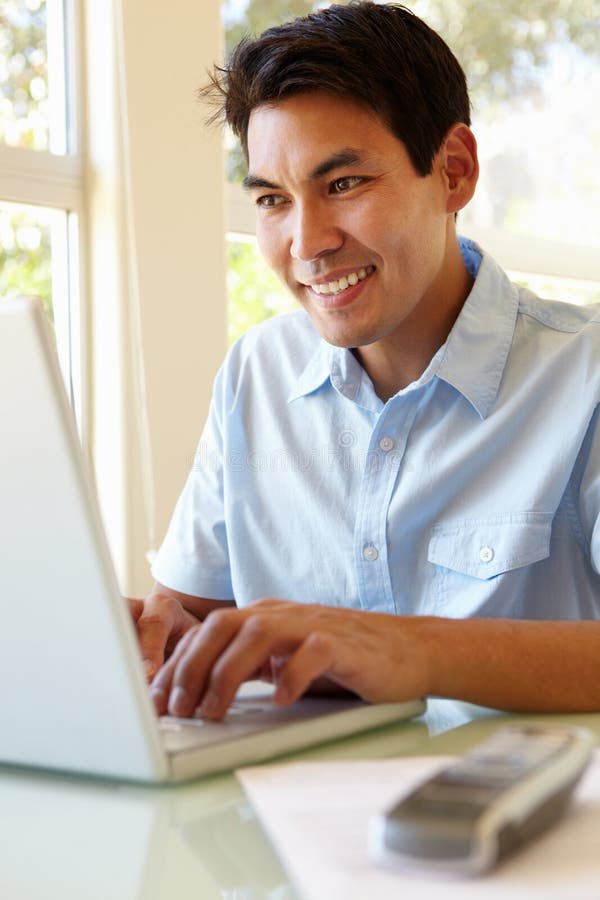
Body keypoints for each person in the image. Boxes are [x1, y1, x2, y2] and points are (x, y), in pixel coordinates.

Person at [132, 1, 600, 722]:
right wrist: (153, 638)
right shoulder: (256, 373)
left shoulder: (585, 375)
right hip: (286, 815)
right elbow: (190, 610)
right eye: (271, 199)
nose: (307, 242)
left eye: (343, 184)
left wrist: (409, 650)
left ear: (454, 171)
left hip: (524, 824)